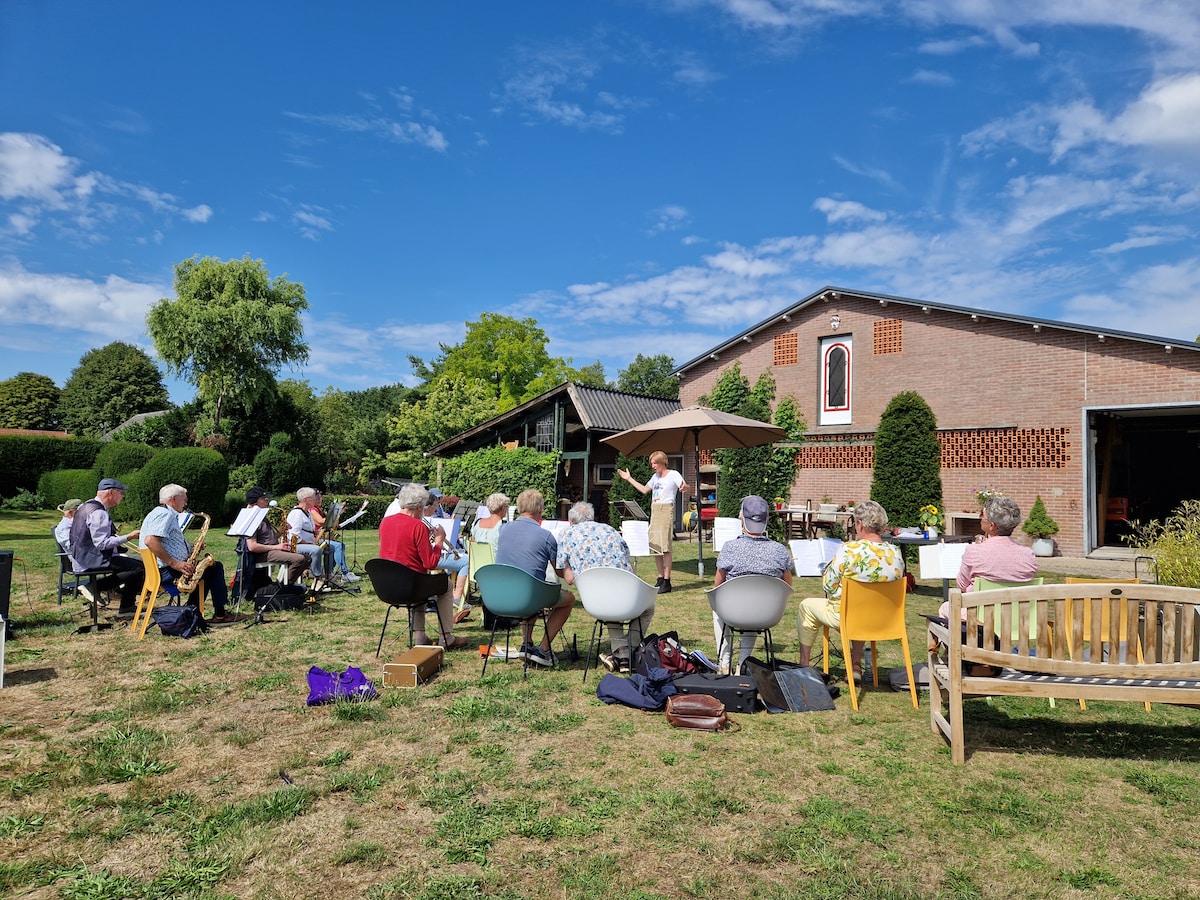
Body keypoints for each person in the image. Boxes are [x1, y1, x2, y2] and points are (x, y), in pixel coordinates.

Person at [797, 500, 905, 683]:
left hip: (848, 617)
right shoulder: (895, 552)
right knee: (861, 609)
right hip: (885, 619)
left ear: (861, 524)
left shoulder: (849, 549)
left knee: (805, 606)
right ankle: (855, 665)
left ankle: (804, 664)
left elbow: (828, 586)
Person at [556, 500, 653, 673]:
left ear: (571, 522)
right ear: (592, 518)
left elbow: (569, 579)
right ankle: (628, 652)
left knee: (609, 606)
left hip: (594, 600)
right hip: (624, 595)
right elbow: (629, 568)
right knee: (648, 607)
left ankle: (623, 654)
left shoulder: (565, 535)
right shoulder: (610, 530)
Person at [378, 482, 469, 649]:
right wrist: (439, 543)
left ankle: (420, 636)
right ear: (420, 506)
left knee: (418, 579)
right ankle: (446, 636)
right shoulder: (418, 526)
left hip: (386, 586)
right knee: (447, 585)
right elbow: (430, 562)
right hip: (410, 587)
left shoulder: (385, 522)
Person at [712, 495, 794, 673]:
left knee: (718, 604)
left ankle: (724, 662)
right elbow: (788, 585)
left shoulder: (729, 547)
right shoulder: (779, 550)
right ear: (767, 519)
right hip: (766, 613)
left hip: (733, 612)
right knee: (754, 605)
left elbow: (717, 584)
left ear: (741, 517)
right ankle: (743, 663)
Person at [494, 488, 574, 666]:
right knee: (568, 599)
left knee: (528, 585)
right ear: (540, 510)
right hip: (529, 597)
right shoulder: (545, 536)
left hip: (500, 595)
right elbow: (560, 572)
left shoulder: (503, 530)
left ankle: (527, 643)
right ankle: (543, 650)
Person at [140, 483, 240, 623]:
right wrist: (175, 564)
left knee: (207, 570)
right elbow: (150, 541)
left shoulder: (158, 513)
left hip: (162, 569)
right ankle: (219, 614)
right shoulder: (165, 514)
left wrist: (192, 550)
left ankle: (193, 612)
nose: (186, 503)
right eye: (184, 499)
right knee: (215, 568)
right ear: (174, 499)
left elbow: (165, 542)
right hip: (167, 572)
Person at [939, 496, 1039, 619]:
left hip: (980, 620)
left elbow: (962, 585)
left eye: (982, 515)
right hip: (1016, 620)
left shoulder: (975, 551)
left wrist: (980, 546)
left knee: (945, 608)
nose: (980, 517)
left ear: (992, 526)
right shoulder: (1028, 554)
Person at [69, 477, 145, 619]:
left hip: (81, 557)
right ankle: (96, 588)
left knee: (134, 566)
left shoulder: (86, 506)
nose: (122, 496)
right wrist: (129, 536)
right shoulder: (99, 513)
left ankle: (126, 607)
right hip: (91, 559)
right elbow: (101, 544)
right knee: (139, 568)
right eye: (121, 493)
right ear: (111, 492)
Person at [617, 450, 689, 594]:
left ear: (662, 462)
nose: (653, 466)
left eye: (654, 463)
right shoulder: (655, 477)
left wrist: (684, 487)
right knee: (656, 546)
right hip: (655, 510)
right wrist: (629, 478)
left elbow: (685, 486)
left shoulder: (673, 474)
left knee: (665, 547)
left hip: (665, 509)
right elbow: (644, 490)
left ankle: (667, 581)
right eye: (651, 463)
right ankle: (660, 577)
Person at [243, 487, 309, 585]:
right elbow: (252, 546)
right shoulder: (252, 518)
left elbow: (268, 538)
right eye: (264, 499)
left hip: (270, 550)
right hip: (262, 554)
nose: (267, 500)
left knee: (307, 558)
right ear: (255, 502)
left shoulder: (262, 517)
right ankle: (282, 587)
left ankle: (285, 584)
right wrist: (277, 547)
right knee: (299, 559)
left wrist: (282, 531)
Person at [424, 490, 469, 607]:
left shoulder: (423, 519)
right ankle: (457, 597)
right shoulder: (430, 521)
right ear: (428, 506)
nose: (437, 507)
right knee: (468, 562)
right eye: (435, 505)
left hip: (433, 555)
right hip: (434, 556)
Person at [310, 491, 361, 583]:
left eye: (320, 497)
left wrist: (338, 514)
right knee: (338, 546)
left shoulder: (319, 509)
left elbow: (334, 525)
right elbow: (320, 521)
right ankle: (345, 573)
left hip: (322, 537)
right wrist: (334, 514)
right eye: (317, 498)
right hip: (316, 539)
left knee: (338, 546)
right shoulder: (313, 509)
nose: (319, 499)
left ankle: (329, 572)